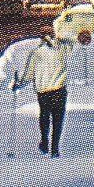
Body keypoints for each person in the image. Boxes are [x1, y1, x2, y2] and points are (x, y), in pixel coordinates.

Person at [19, 28, 69, 156]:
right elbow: (73, 41)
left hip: (44, 91)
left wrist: (19, 84)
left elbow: (29, 74)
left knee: (44, 117)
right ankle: (55, 148)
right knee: (58, 120)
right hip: (59, 90)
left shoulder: (36, 53)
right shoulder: (63, 49)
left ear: (41, 38)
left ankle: (45, 142)